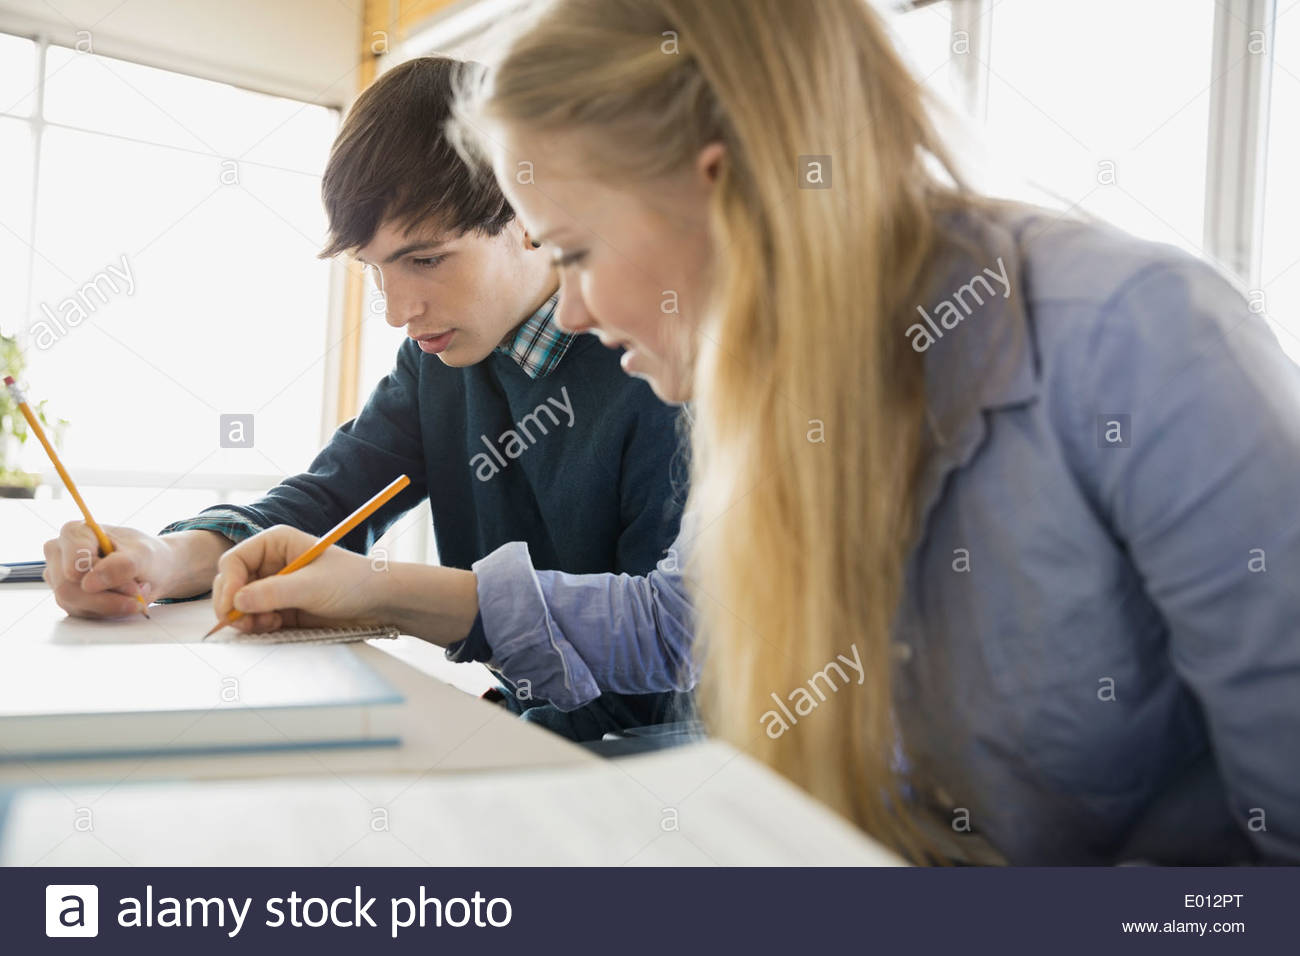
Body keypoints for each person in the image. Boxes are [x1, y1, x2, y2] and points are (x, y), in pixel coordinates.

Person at [207, 0, 1300, 865]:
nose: (571, 311)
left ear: (717, 193)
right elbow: (678, 621)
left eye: (575, 251)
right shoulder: (772, 386)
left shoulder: (1141, 340)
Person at [41, 56, 689, 743]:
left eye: (426, 259)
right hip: (520, 736)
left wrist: (390, 603)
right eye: (375, 270)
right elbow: (326, 503)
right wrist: (165, 559)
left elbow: (664, 658)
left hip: (664, 769)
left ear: (531, 215)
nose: (397, 311)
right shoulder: (437, 358)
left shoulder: (654, 366)